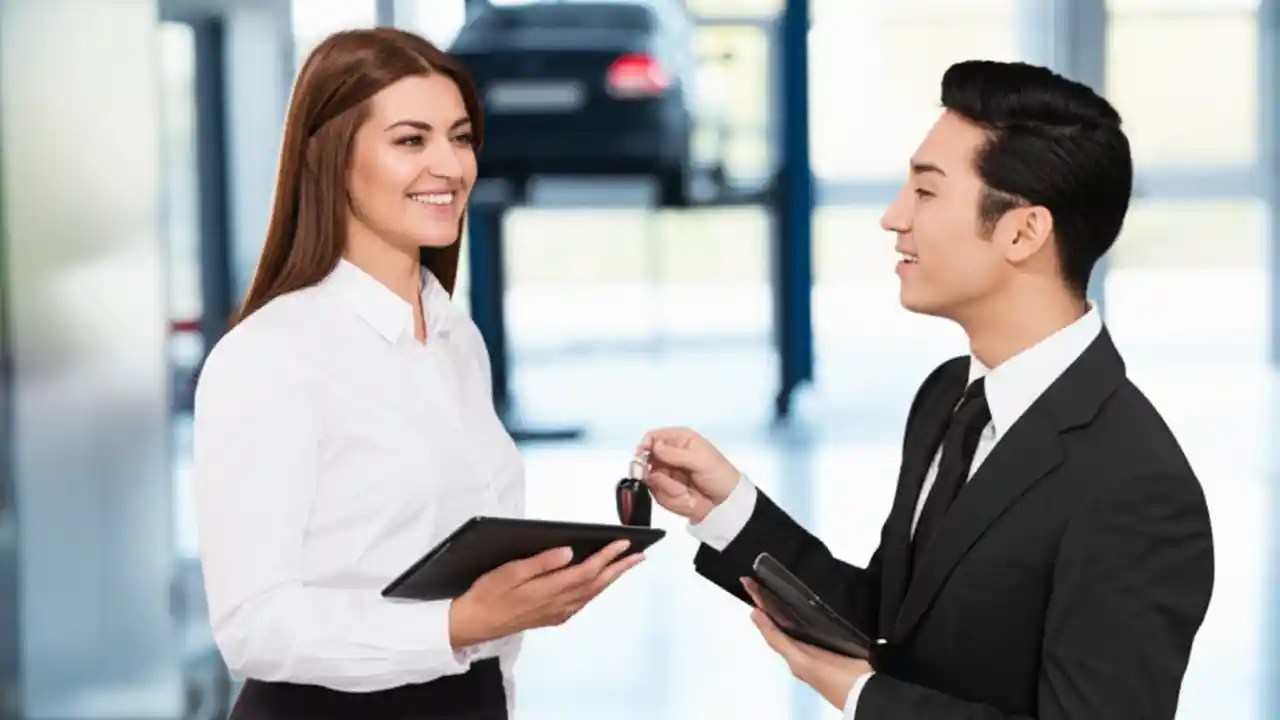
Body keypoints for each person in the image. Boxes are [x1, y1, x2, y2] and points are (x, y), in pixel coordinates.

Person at [636, 60, 1214, 719]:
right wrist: (730, 507)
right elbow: (893, 620)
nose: (892, 217)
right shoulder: (948, 398)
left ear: (1023, 231)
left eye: (927, 192)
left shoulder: (1137, 489)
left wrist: (859, 696)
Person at [192, 28, 644, 720]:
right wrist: (455, 625)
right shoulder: (269, 356)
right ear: (332, 156)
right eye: (412, 140)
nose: (452, 166)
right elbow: (254, 626)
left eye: (460, 138)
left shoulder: (457, 337)